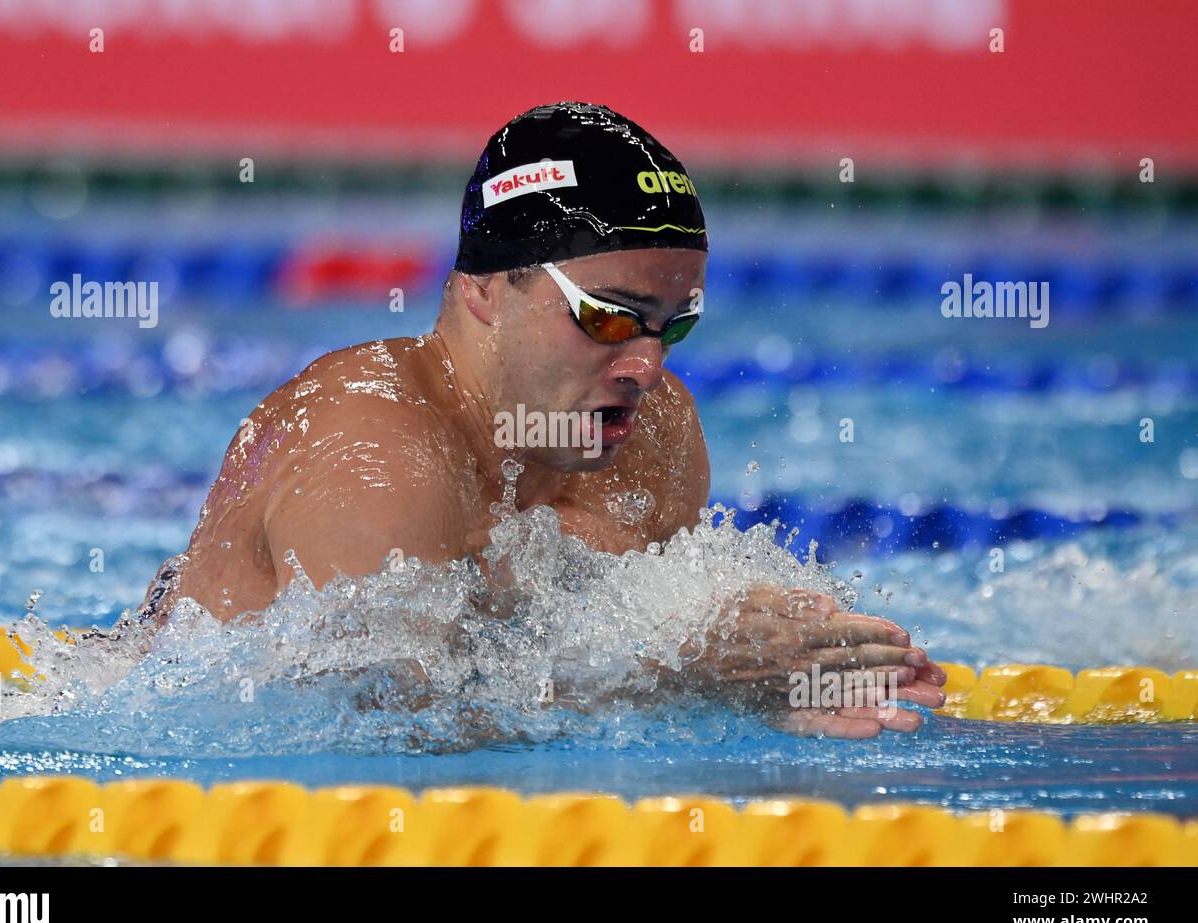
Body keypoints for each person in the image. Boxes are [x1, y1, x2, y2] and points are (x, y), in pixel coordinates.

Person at [138, 102, 946, 737]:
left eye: (673, 324)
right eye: (609, 317)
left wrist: (769, 680)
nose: (646, 367)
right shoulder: (373, 451)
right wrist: (698, 672)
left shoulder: (653, 435)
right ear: (485, 290)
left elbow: (581, 668)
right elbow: (384, 733)